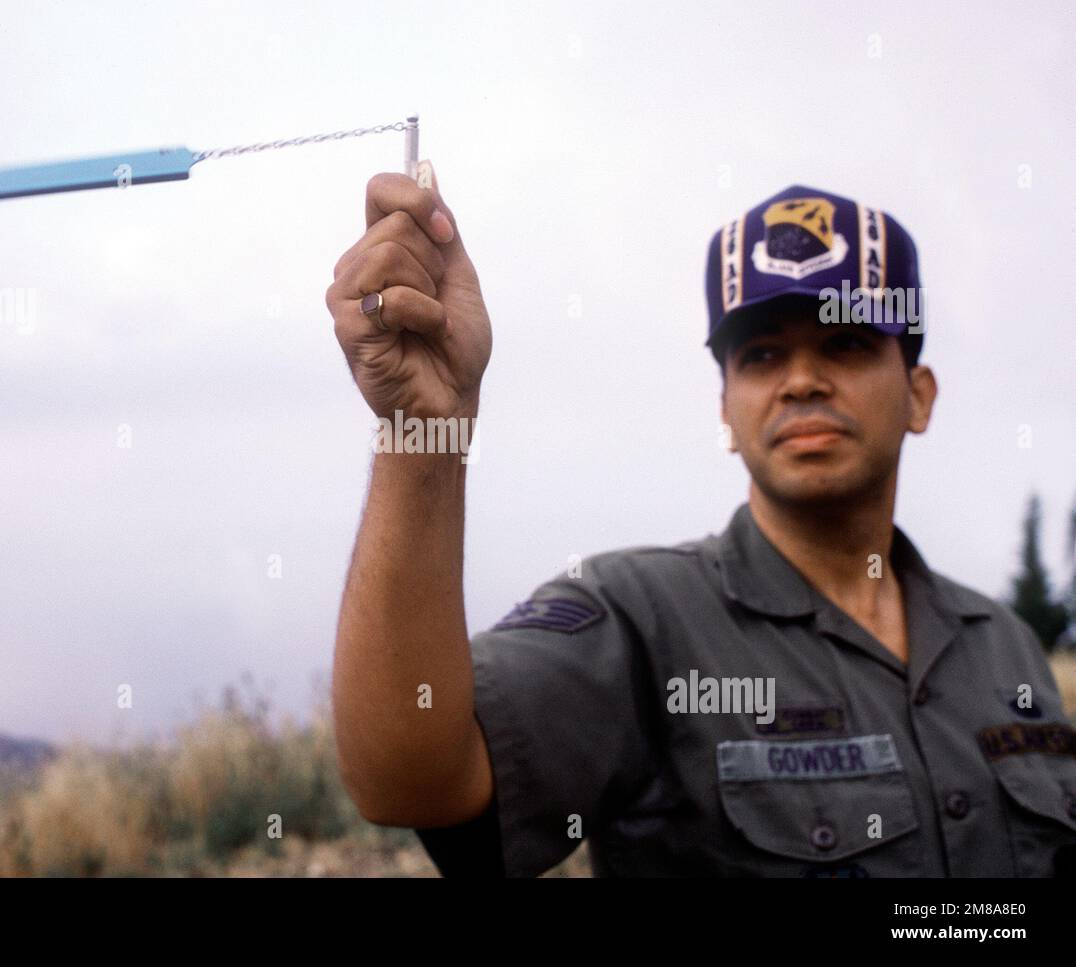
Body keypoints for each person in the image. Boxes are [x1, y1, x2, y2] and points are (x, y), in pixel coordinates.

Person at [324, 164, 1076, 877]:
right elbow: (410, 779)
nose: (802, 381)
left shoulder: (1003, 647)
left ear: (919, 394)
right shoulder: (640, 619)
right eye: (762, 355)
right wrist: (423, 430)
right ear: (726, 408)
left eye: (845, 343)